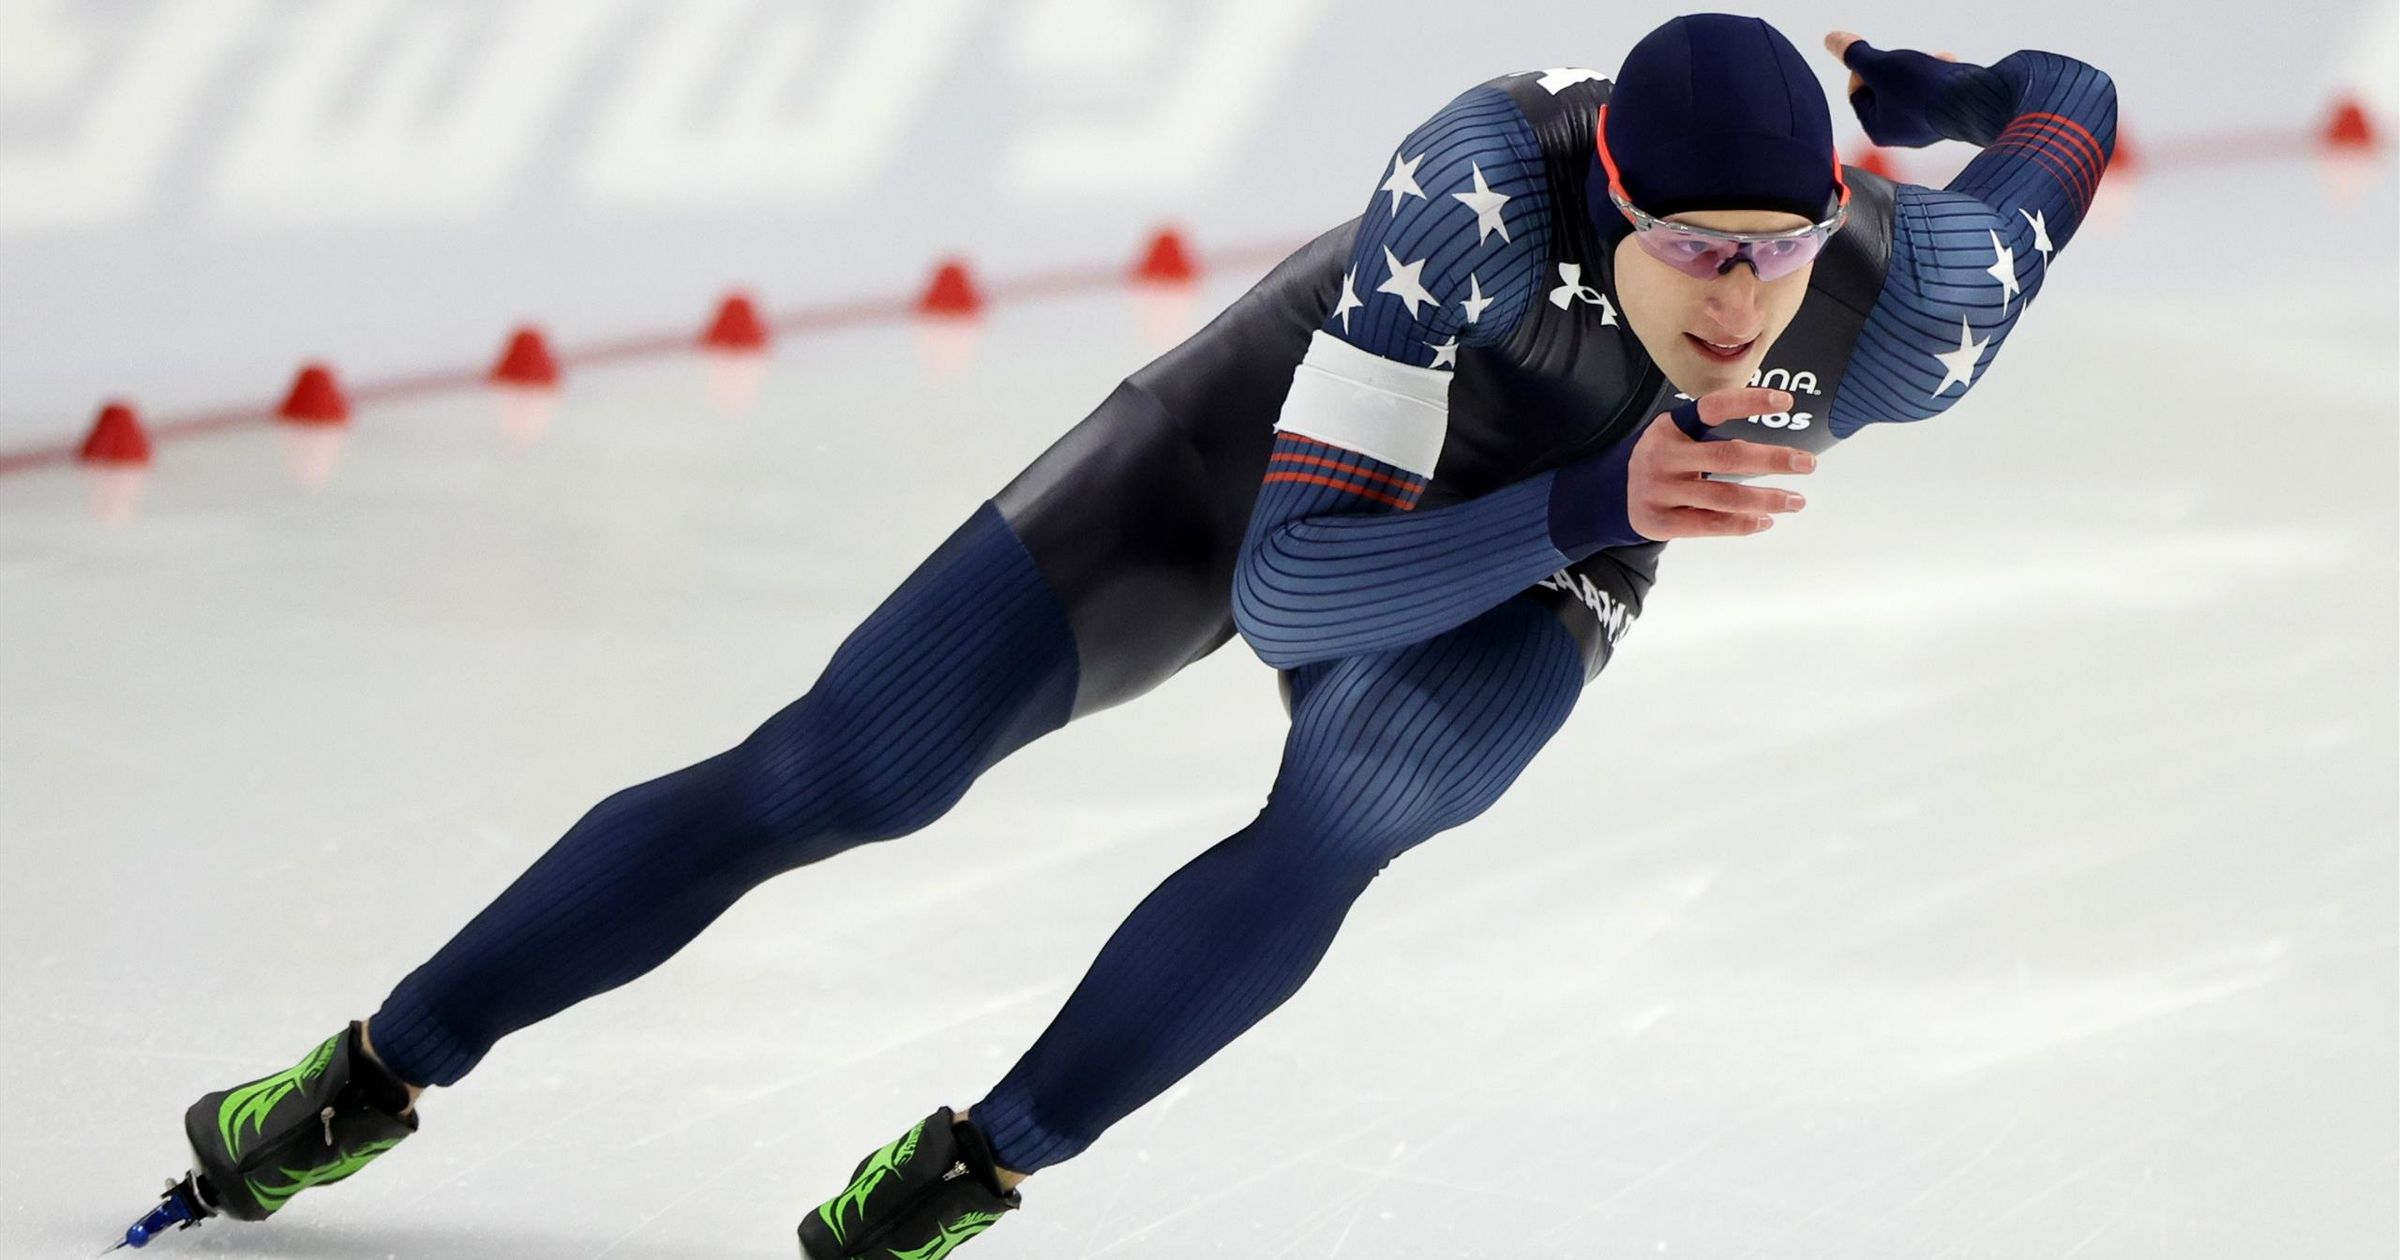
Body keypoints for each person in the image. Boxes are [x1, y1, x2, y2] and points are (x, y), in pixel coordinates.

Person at [133, 15, 2116, 1258]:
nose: (1741, 304)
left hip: (1554, 543)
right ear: (1610, 197)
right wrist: (1604, 498)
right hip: (1265, 457)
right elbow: (1291, 590)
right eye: (1692, 250)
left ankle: (966, 1174)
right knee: (843, 769)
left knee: (1359, 801)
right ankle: (369, 1072)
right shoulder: (1477, 192)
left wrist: (1947, 98)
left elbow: (2074, 108)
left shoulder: (1911, 308)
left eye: (1776, 252)